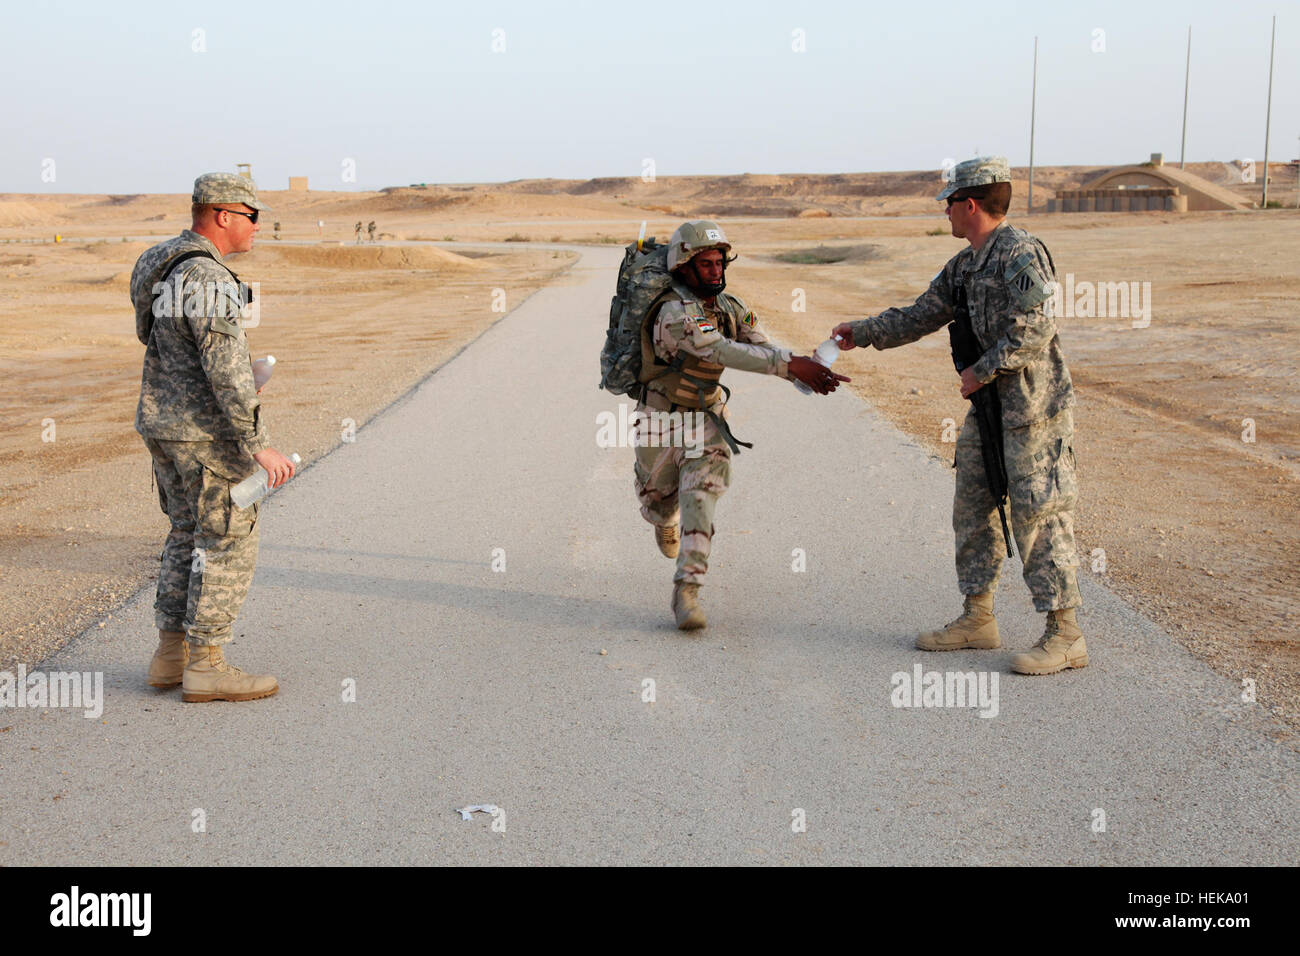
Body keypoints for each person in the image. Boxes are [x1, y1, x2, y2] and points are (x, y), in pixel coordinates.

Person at [832, 157, 1086, 675]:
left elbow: (1037, 325)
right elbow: (923, 313)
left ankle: (1066, 634)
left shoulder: (1018, 253)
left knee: (1039, 511)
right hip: (989, 409)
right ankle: (978, 617)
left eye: (949, 202)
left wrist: (982, 370)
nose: (945, 211)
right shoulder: (966, 264)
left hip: (1034, 410)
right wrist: (861, 332)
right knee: (974, 504)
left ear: (970, 204)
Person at [130, 172, 295, 702]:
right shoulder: (210, 278)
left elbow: (152, 338)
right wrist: (258, 443)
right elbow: (224, 369)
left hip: (162, 424)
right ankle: (207, 664)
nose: (256, 229)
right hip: (203, 433)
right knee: (226, 537)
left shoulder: (156, 261)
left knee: (184, 533)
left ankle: (170, 656)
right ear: (223, 215)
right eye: (252, 217)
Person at [637, 220, 847, 629]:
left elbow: (758, 345)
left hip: (708, 420)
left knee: (701, 496)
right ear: (684, 266)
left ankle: (687, 591)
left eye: (720, 263)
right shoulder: (672, 312)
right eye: (706, 264)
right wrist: (789, 365)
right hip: (660, 420)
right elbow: (719, 351)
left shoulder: (730, 307)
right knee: (658, 501)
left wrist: (805, 371)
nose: (716, 271)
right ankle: (664, 520)